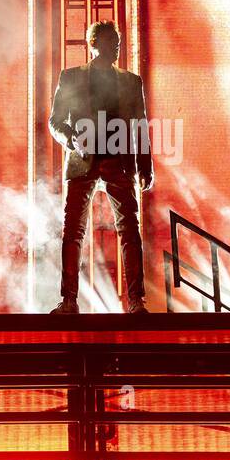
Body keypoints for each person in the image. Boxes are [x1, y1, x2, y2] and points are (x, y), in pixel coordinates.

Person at [48, 20, 152, 314]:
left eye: (117, 41)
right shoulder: (70, 77)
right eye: (110, 41)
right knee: (73, 230)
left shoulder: (132, 81)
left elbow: (140, 125)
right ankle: (69, 300)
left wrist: (145, 165)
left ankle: (135, 301)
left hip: (118, 159)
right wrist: (71, 139)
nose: (116, 46)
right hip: (84, 160)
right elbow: (55, 121)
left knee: (130, 230)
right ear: (94, 44)